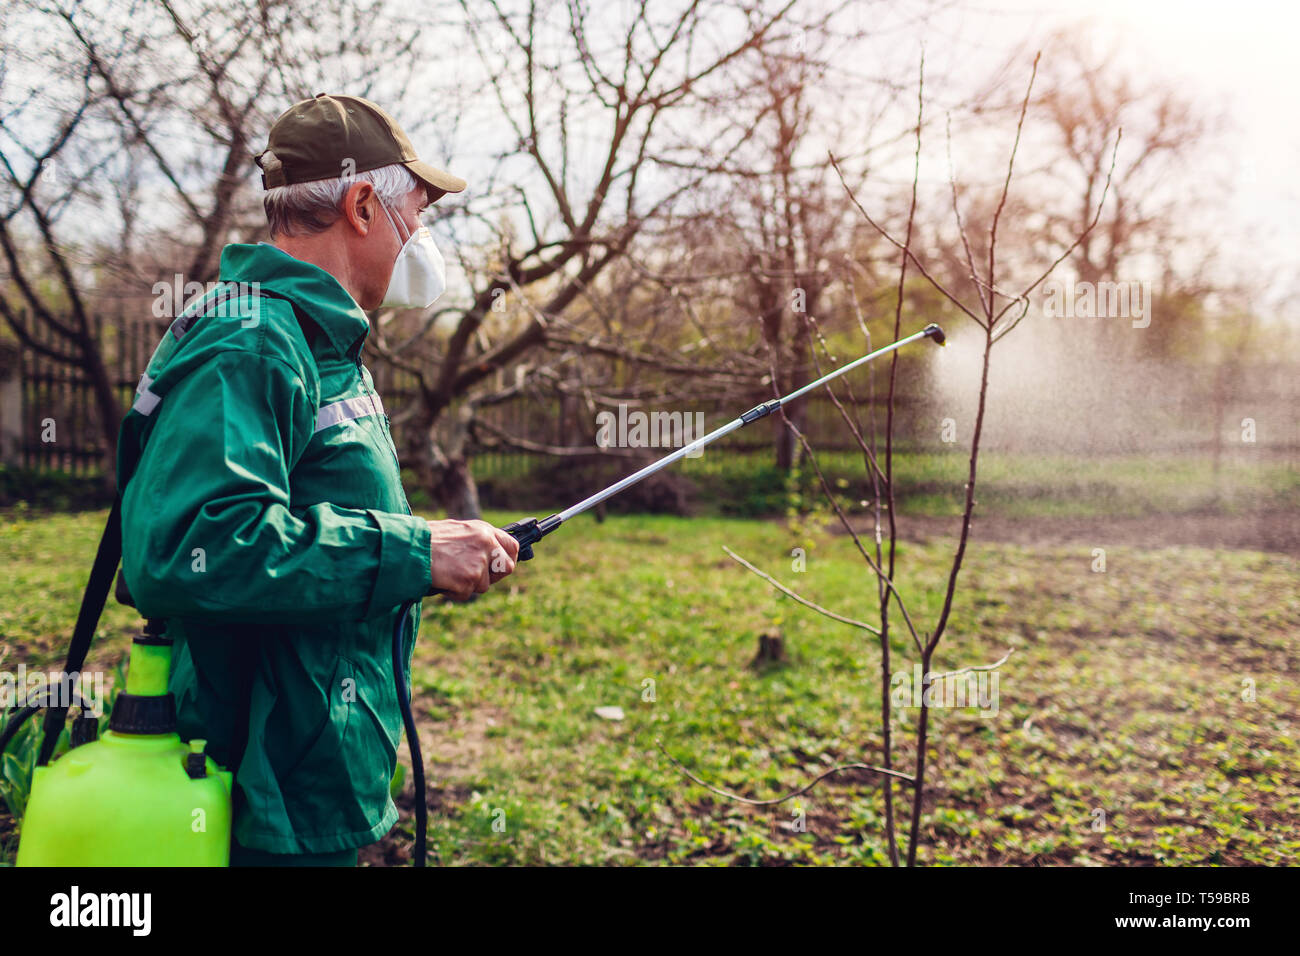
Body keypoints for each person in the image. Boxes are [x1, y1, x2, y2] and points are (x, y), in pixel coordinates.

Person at [115, 93, 518, 866]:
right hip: (257, 792)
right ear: (362, 205)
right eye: (418, 216)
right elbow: (191, 548)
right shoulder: (253, 342)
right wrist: (416, 553)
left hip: (309, 775)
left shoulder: (314, 343)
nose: (420, 243)